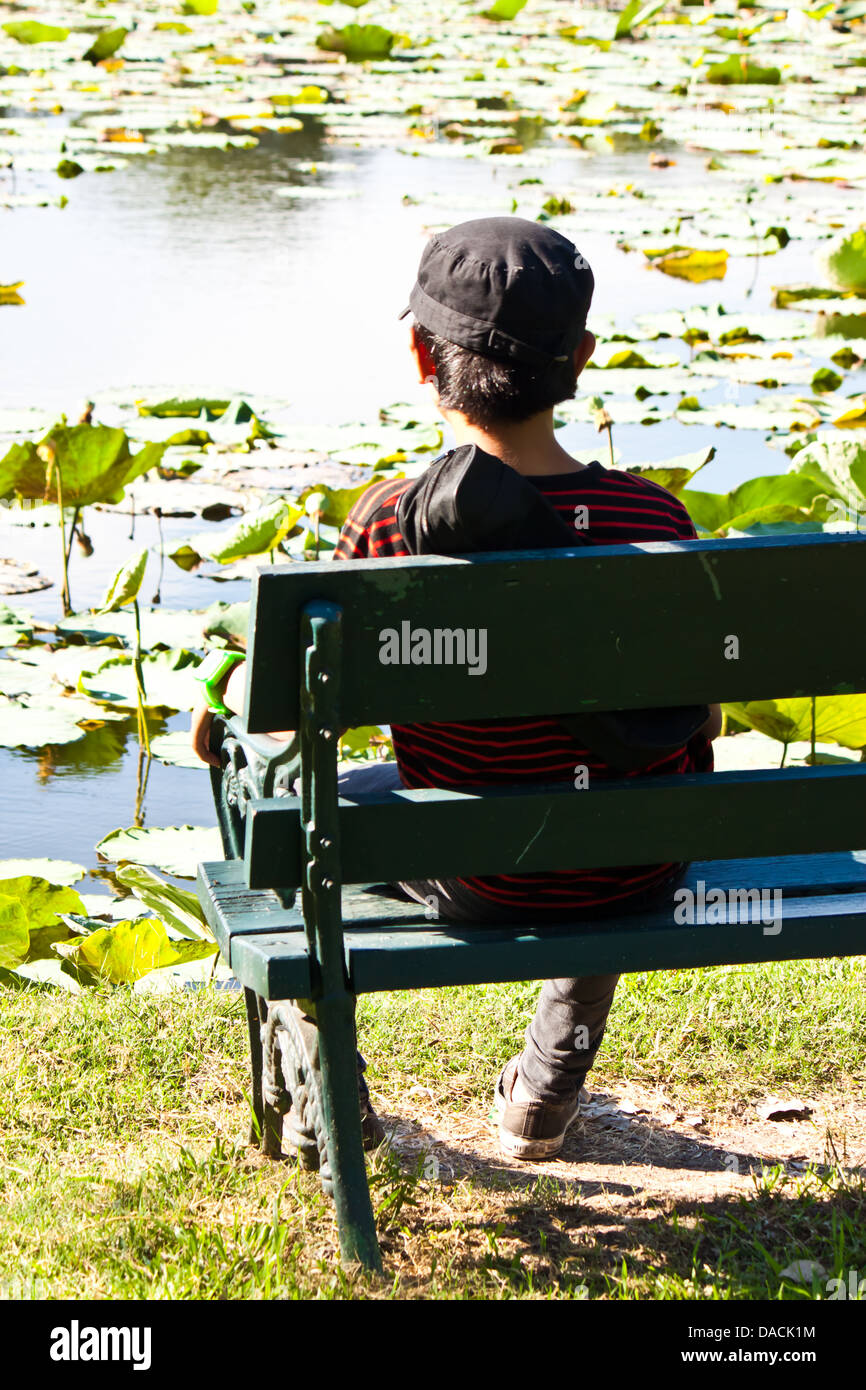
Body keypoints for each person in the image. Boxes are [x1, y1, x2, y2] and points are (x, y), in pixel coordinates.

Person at [192, 217, 722, 1162]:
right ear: (582, 360)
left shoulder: (387, 526)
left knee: (288, 818)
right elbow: (699, 715)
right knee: (607, 807)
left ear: (419, 354)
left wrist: (225, 695)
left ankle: (331, 1097)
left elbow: (304, 717)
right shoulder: (655, 518)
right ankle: (544, 1097)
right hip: (633, 863)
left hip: (472, 870)